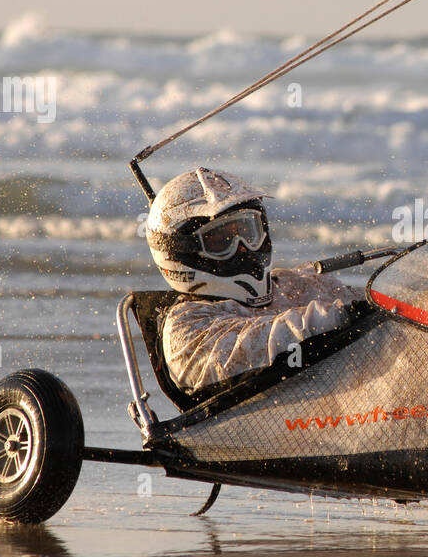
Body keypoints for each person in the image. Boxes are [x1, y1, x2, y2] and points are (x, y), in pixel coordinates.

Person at [145, 167, 362, 393]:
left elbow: (375, 300)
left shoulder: (290, 284)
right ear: (183, 253)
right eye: (222, 240)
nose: (244, 249)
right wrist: (343, 314)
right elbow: (267, 343)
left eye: (248, 232)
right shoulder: (185, 329)